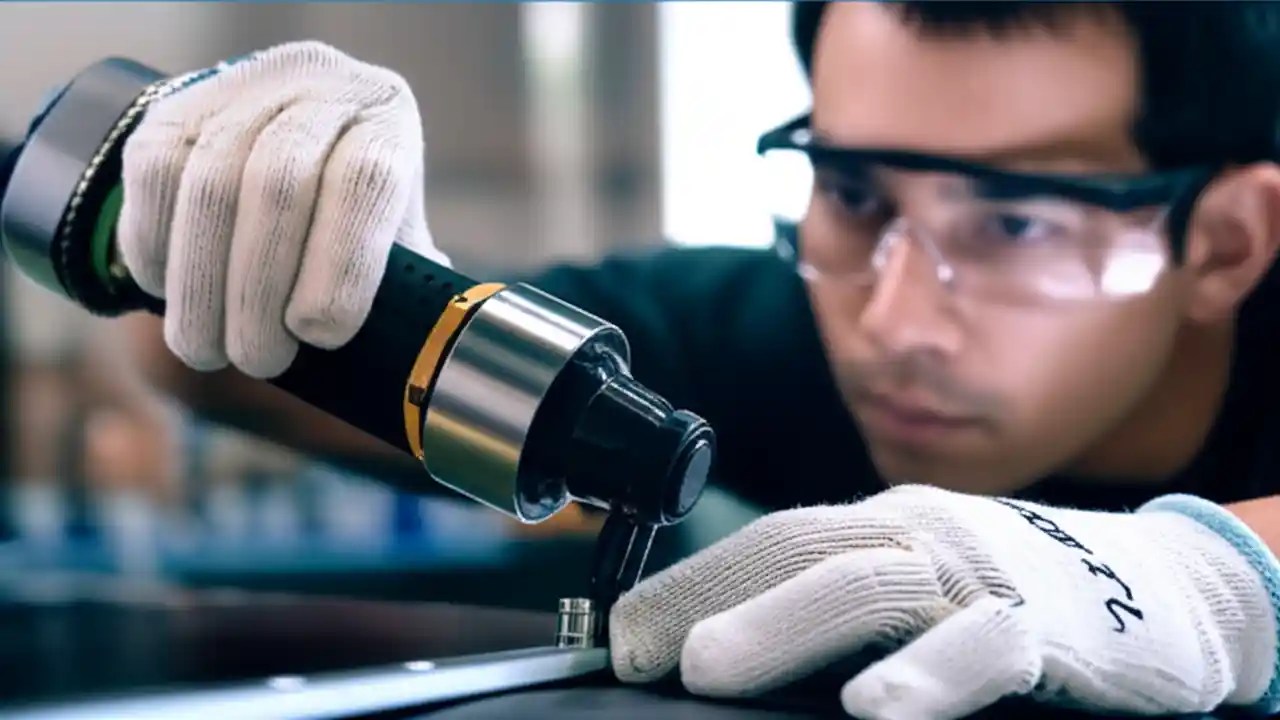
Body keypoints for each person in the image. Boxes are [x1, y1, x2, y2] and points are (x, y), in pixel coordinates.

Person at [111, 3, 1280, 718]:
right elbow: (217, 369)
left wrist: (1217, 581)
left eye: (1015, 222)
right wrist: (248, 218)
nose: (894, 319)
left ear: (1226, 240)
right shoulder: (764, 325)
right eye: (854, 191)